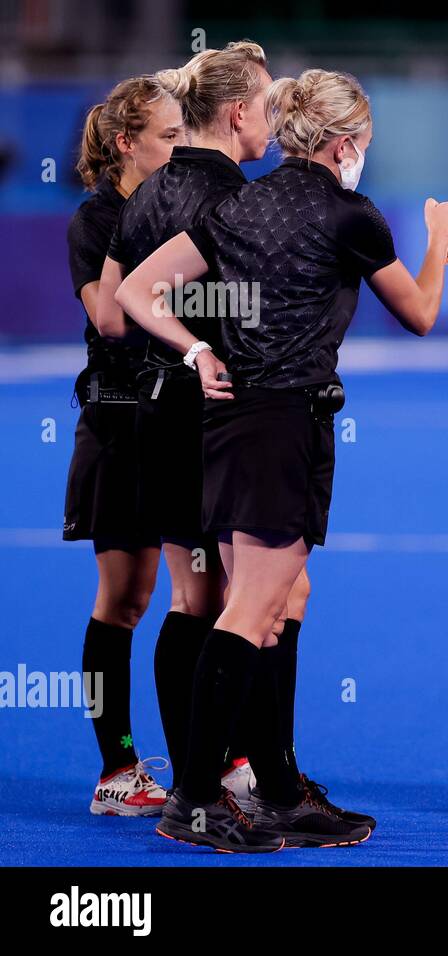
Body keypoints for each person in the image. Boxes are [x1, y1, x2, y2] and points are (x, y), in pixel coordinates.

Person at [116, 67, 448, 851]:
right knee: (251, 611)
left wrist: (196, 349)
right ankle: (198, 802)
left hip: (232, 427)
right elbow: (417, 314)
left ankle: (276, 792)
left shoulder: (239, 202)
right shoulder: (354, 216)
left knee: (279, 603)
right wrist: (441, 243)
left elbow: (139, 294)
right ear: (345, 143)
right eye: (364, 144)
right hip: (287, 428)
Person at [94, 41, 304, 809]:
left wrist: (172, 342)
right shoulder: (236, 201)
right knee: (271, 598)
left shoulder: (145, 194)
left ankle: (198, 777)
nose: (276, 123)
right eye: (269, 108)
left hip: (155, 412)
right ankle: (247, 777)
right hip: (221, 416)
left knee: (195, 600)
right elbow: (250, 313)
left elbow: (118, 303)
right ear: (239, 112)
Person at [64, 73, 184, 815]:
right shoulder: (95, 219)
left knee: (210, 590)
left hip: (185, 422)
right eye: (169, 136)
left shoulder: (184, 208)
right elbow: (111, 317)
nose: (179, 148)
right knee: (125, 599)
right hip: (118, 426)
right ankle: (119, 770)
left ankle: (222, 760)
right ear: (125, 142)